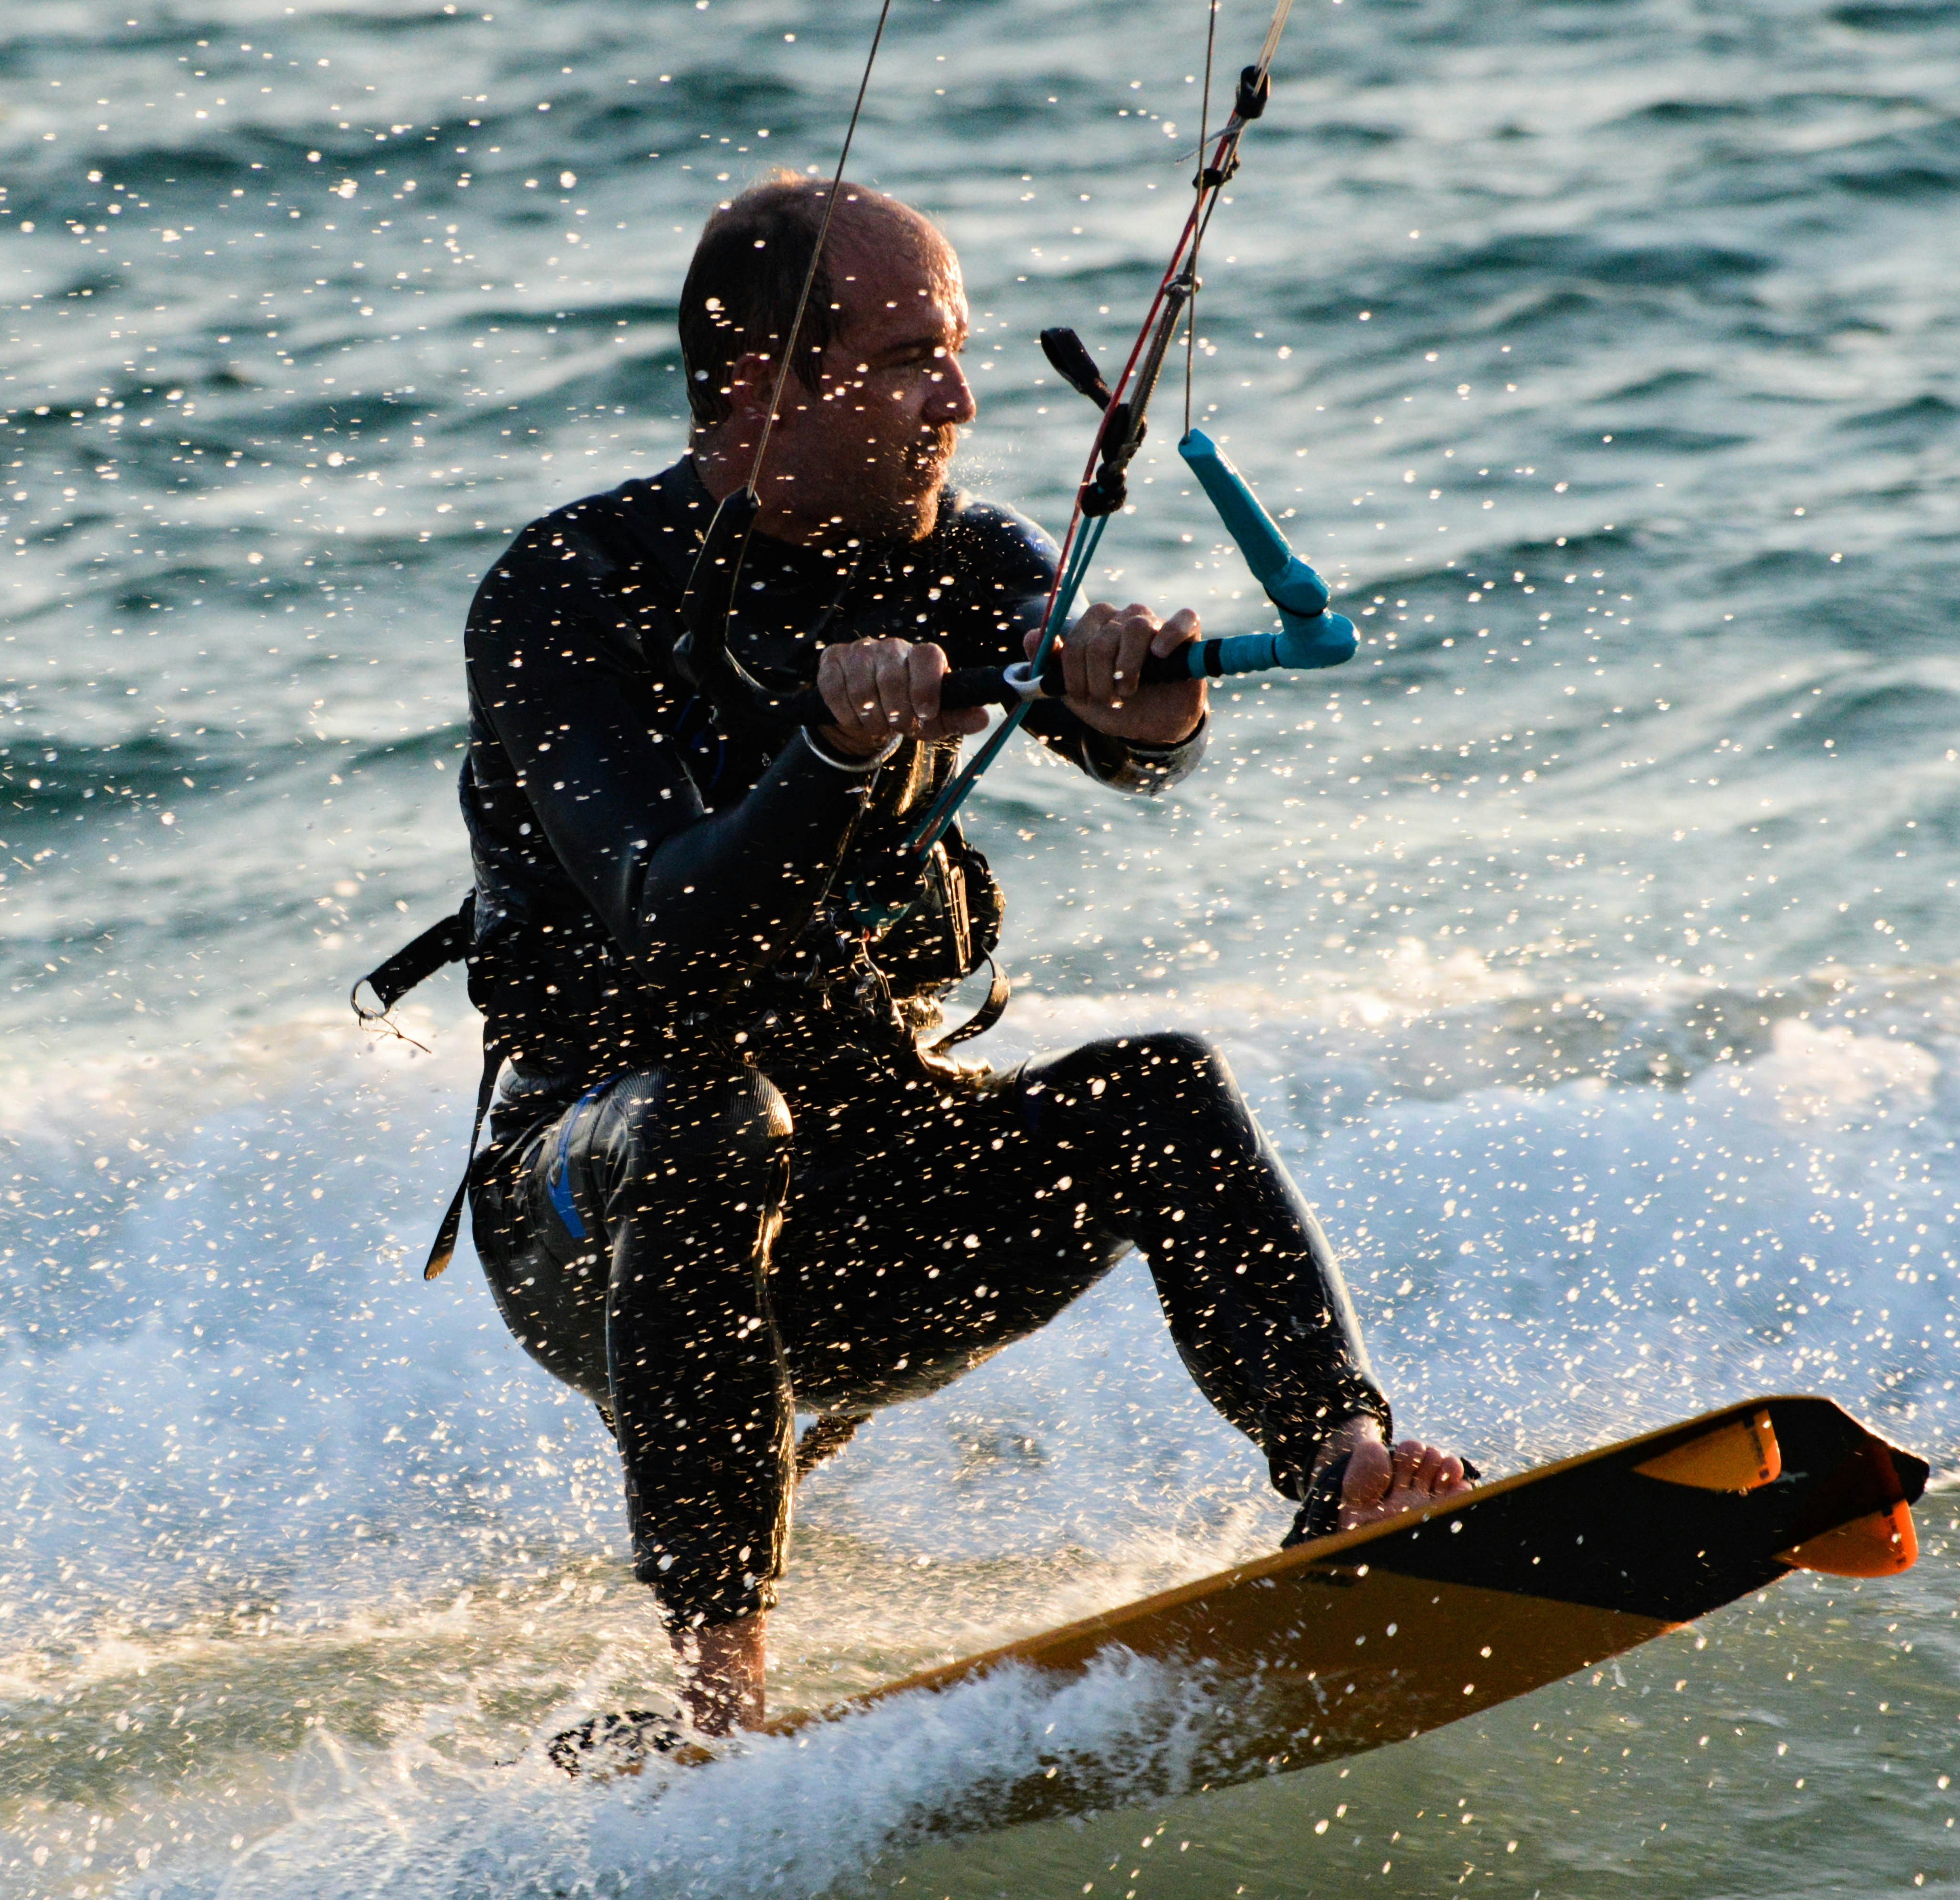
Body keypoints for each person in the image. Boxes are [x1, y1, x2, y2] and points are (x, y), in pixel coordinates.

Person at [436, 173, 1471, 1737]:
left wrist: (1147, 701)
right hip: (598, 1207)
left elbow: (1114, 724)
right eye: (916, 356)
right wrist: (836, 745)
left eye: (964, 348)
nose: (963, 397)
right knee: (715, 1112)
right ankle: (718, 1702)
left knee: (1157, 1091)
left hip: (870, 1201)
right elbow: (670, 914)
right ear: (762, 382)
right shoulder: (569, 590)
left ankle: (1347, 1476)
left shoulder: (961, 555)